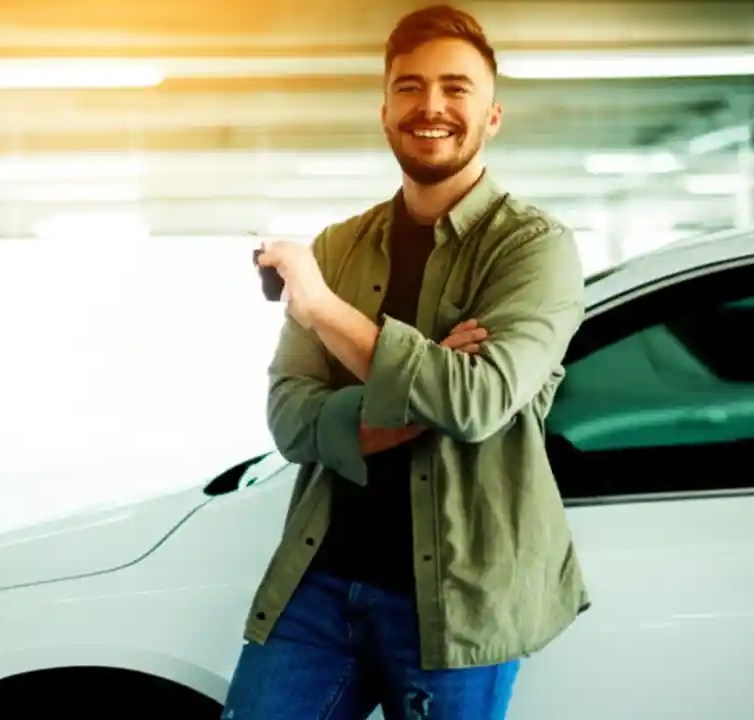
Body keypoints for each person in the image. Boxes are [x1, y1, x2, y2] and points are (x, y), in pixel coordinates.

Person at [228, 4, 590, 719]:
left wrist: (324, 309)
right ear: (386, 108)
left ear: (491, 117)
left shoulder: (533, 249)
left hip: (459, 603)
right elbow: (291, 421)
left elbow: (477, 404)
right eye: (410, 87)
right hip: (318, 582)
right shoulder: (339, 245)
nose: (431, 106)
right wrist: (415, 393)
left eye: (457, 88)